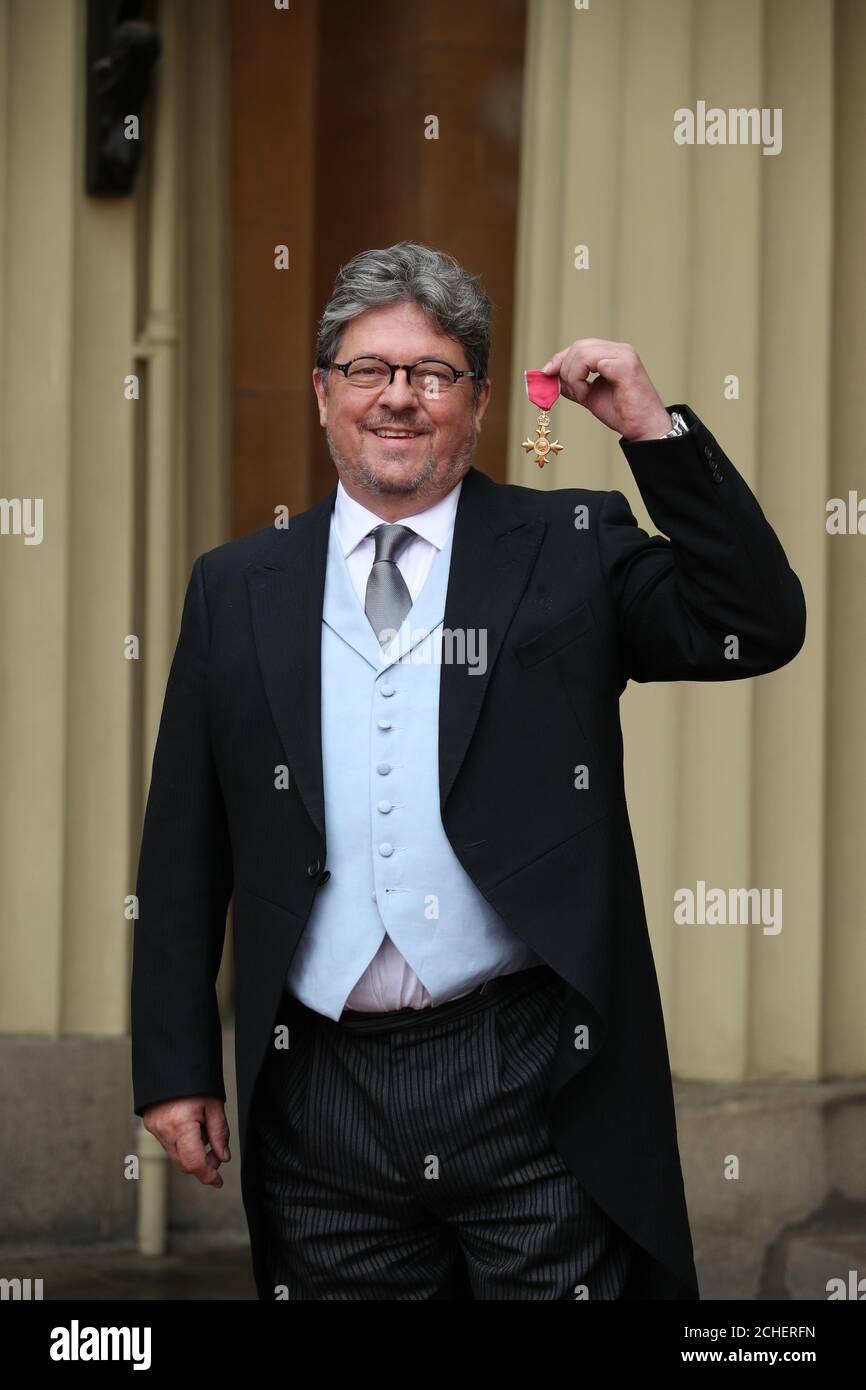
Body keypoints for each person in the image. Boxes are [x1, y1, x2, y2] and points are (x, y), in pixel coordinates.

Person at [131, 241, 806, 1300]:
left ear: (479, 404)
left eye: (432, 374)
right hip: (319, 1095)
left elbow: (751, 625)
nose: (398, 398)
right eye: (368, 370)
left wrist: (650, 431)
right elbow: (184, 840)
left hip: (530, 1076)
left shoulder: (568, 539)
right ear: (321, 394)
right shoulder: (236, 585)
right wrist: (173, 1066)